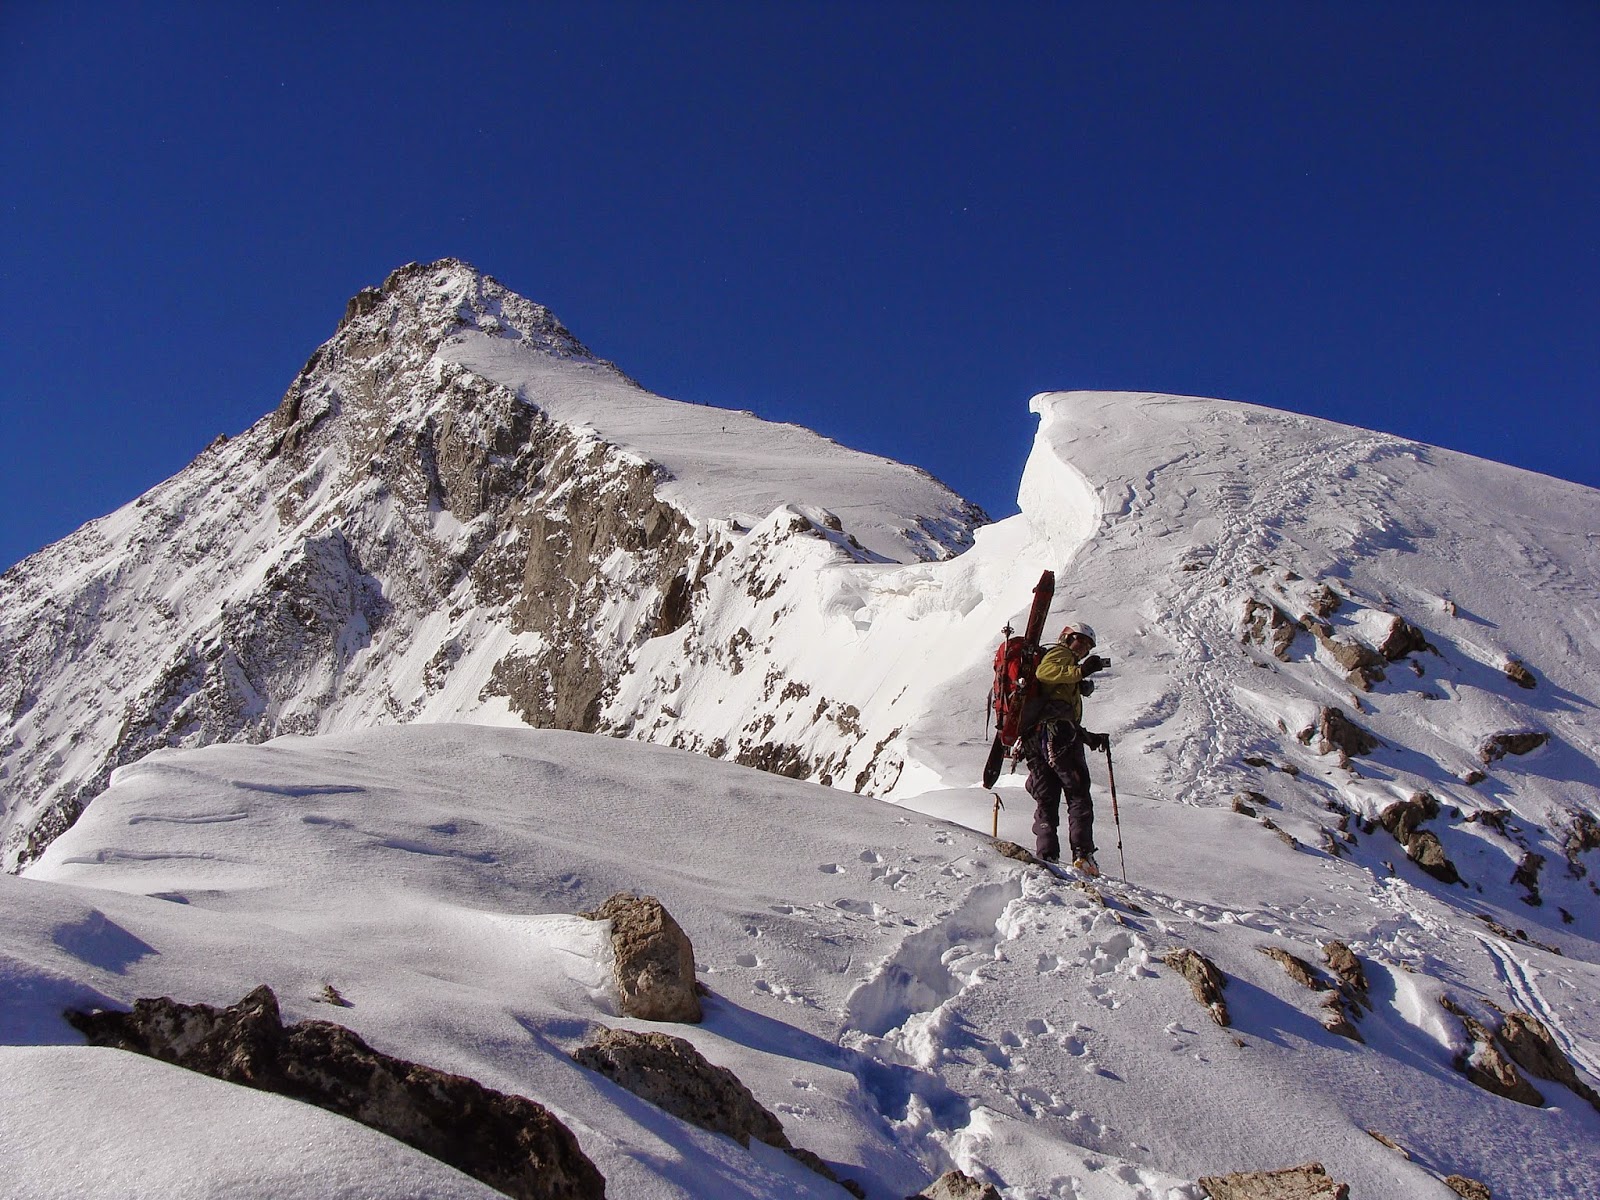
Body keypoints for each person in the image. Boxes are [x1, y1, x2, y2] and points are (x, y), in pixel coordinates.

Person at [1021, 623, 1110, 873]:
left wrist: (1087, 737)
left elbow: (1054, 710)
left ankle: (1047, 855)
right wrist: (1079, 671)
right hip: (1056, 737)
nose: (1082, 649)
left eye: (1087, 646)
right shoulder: (1062, 655)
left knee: (1047, 798)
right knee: (1078, 792)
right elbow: (1045, 673)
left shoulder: (1065, 666)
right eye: (1080, 642)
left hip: (1036, 740)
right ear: (1067, 639)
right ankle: (1083, 855)